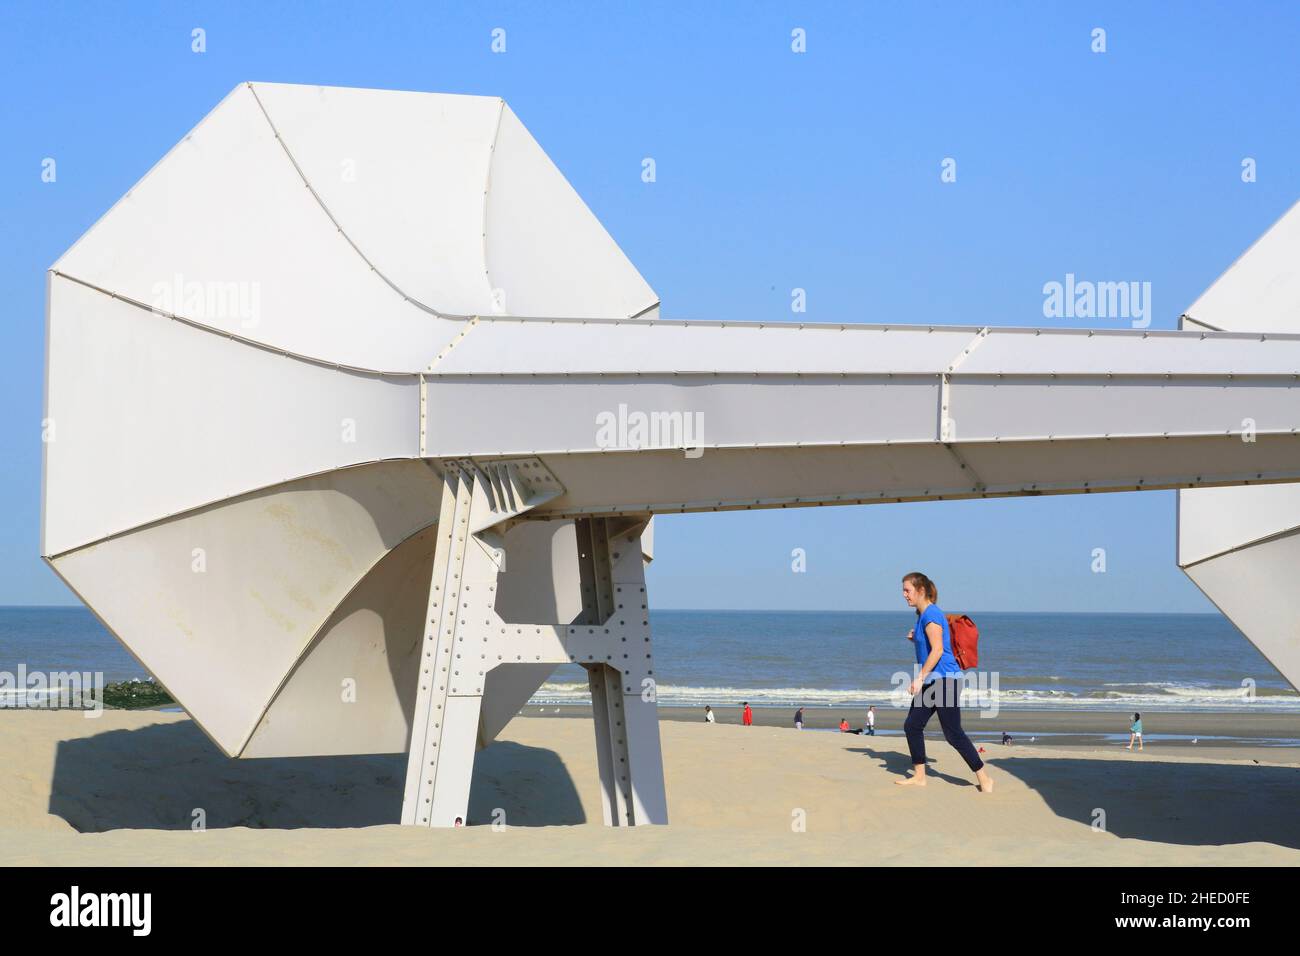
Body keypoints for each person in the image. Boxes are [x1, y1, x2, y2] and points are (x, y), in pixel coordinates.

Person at [895, 571, 994, 793]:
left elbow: (938, 650)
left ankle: (984, 778)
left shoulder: (931, 614)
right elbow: (932, 648)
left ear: (920, 590)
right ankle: (920, 776)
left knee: (953, 733)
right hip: (934, 680)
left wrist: (919, 678)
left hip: (946, 680)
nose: (904, 595)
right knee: (912, 725)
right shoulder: (922, 616)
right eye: (903, 590)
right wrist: (916, 641)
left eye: (907, 590)